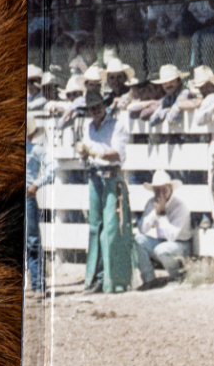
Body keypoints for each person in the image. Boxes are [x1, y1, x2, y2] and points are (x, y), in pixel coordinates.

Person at [75, 89, 134, 293]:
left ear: (104, 106)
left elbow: (116, 154)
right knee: (95, 228)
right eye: (92, 107)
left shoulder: (117, 126)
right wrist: (83, 153)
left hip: (111, 178)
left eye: (98, 106)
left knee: (111, 229)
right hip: (95, 177)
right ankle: (97, 278)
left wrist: (91, 151)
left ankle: (114, 280)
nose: (95, 110)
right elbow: (88, 153)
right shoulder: (89, 128)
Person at [134, 170, 192, 288]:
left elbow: (173, 236)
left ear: (171, 188)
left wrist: (162, 213)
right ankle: (149, 280)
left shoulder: (180, 206)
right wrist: (155, 212)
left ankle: (178, 277)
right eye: (157, 190)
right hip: (162, 244)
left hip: (181, 245)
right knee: (137, 240)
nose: (161, 193)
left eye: (164, 189)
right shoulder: (152, 203)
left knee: (162, 250)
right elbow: (142, 229)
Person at [26, 117, 58, 296]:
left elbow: (54, 166)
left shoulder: (35, 150)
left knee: (32, 240)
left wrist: (37, 183)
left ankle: (38, 284)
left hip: (27, 195)